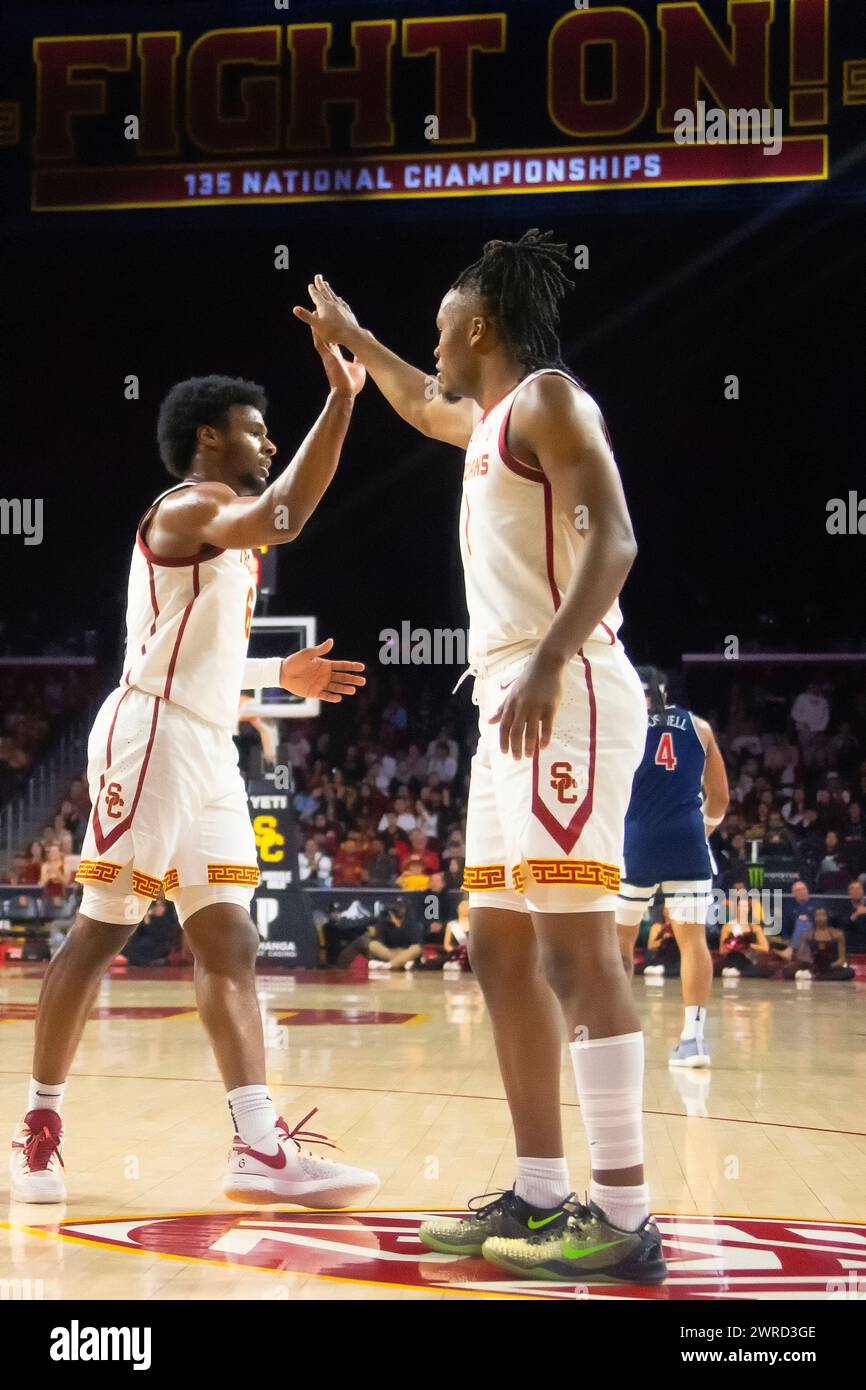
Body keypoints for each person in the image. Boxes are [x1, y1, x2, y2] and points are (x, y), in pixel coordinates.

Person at [295, 232, 665, 1283]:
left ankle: (626, 1215)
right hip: (506, 693)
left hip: (567, 681)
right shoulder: (485, 419)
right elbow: (418, 400)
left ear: (481, 328)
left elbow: (616, 540)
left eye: (442, 326)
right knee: (498, 948)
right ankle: (541, 1191)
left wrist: (550, 659)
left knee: (575, 951)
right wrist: (353, 339)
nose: (433, 341)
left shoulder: (550, 401)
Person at [10, 341, 380, 1209]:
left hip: (211, 742)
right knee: (100, 931)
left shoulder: (220, 533)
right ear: (209, 439)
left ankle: (257, 1146)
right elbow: (287, 512)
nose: (267, 444)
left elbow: (198, 649)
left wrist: (271, 681)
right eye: (255, 433)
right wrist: (343, 397)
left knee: (229, 940)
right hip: (151, 737)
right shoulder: (187, 506)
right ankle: (38, 1129)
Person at [616, 668, 729, 1068]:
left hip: (635, 840)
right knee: (693, 942)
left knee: (620, 943)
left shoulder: (621, 723)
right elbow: (718, 798)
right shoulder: (700, 727)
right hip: (686, 840)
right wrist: (702, 830)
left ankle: (616, 1036)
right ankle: (694, 1040)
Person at [785, 907, 853, 981]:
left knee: (850, 972)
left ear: (827, 917)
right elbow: (800, 956)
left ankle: (816, 977)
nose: (820, 918)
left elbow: (842, 958)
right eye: (817, 915)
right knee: (788, 971)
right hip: (813, 966)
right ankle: (818, 976)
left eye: (823, 915)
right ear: (814, 918)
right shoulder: (807, 935)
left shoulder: (838, 934)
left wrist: (831, 965)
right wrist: (811, 963)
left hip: (831, 967)